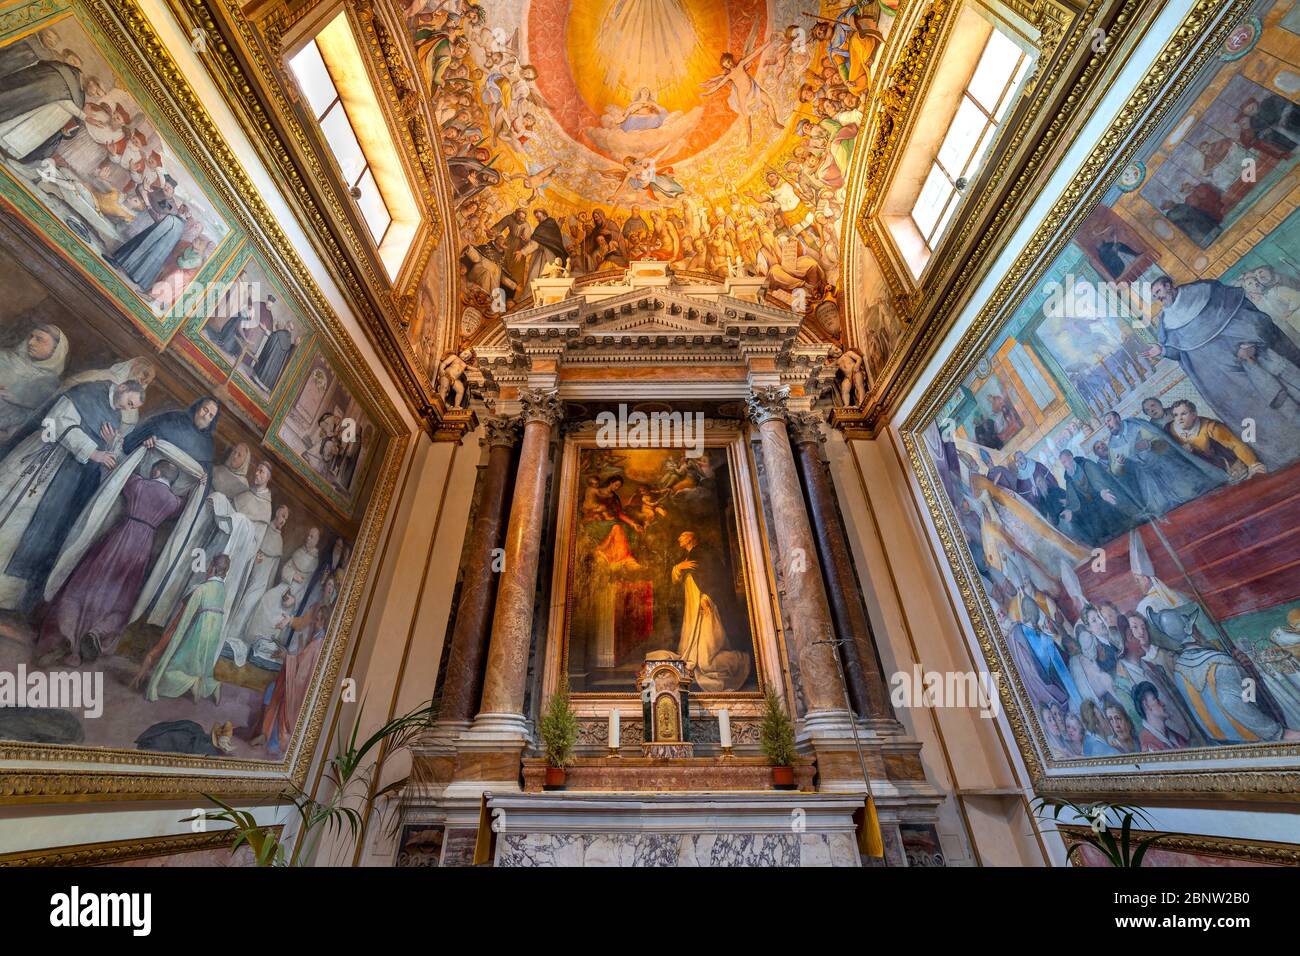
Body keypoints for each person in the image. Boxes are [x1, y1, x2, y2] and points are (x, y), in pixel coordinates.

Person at [0, 378, 145, 613]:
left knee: (43, 530)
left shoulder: (115, 415)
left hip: (68, 479)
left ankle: (7, 593)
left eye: (132, 407)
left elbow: (108, 450)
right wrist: (94, 452)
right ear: (122, 388)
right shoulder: (89, 392)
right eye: (129, 403)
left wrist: (108, 446)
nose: (128, 409)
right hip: (47, 461)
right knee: (18, 517)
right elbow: (58, 420)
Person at [35, 460, 184, 666]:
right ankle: (96, 632)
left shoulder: (139, 484)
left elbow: (122, 470)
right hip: (142, 548)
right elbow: (184, 506)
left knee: (88, 582)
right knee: (120, 596)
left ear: (155, 470)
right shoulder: (174, 502)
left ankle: (67, 638)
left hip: (120, 536)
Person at [1145, 275, 1300, 469]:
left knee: (1282, 398)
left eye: (1158, 291)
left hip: (1247, 362)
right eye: (1154, 295)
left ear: (1169, 286)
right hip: (1224, 384)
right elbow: (1178, 351)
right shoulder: (1167, 321)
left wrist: (1248, 343)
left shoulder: (1204, 292)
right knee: (1254, 417)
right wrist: (1162, 351)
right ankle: (1284, 454)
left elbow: (1245, 316)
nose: (1158, 298)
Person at [138, 553, 230, 702]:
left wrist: (162, 649)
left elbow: (181, 623)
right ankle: (213, 685)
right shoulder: (221, 589)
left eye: (209, 567)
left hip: (199, 633)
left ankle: (191, 683)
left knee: (173, 667)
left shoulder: (201, 589)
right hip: (213, 635)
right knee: (203, 666)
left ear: (212, 568)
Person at [1100, 409, 1223, 516]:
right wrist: (1120, 464)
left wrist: (1149, 444)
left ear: (1118, 418)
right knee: (1160, 508)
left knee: (1190, 492)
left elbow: (1163, 443)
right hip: (1147, 477)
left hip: (1163, 465)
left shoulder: (1136, 426)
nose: (1108, 425)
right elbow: (1115, 471)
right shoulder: (1112, 444)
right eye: (1106, 423)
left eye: (1109, 420)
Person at [672, 530, 750, 691]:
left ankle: (741, 659)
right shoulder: (687, 557)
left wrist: (706, 596)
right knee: (692, 637)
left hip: (703, 602)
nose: (679, 538)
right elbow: (677, 581)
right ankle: (695, 658)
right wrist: (678, 568)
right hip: (691, 604)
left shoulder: (703, 552)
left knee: (706, 650)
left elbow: (714, 577)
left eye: (683, 535)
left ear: (691, 538)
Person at [1055, 448, 1141, 546]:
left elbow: (1100, 480)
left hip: (1101, 499)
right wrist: (1069, 509)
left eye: (1065, 461)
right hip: (1088, 507)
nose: (1065, 465)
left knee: (1118, 525)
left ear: (1071, 457)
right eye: (1063, 463)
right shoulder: (1069, 478)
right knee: (1098, 534)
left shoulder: (1086, 464)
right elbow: (1072, 498)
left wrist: (1102, 491)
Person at [1166, 398, 1264, 480]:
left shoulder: (1211, 427)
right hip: (1201, 473)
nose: (1179, 418)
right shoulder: (1170, 429)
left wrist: (1253, 465)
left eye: (1183, 413)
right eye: (1176, 415)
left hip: (1228, 467)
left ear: (1194, 415)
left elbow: (1235, 444)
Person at [0, 324, 67, 440]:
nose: (30, 342)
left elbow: (28, 423)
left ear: (55, 350)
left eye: (39, 339)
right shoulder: (4, 357)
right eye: (30, 337)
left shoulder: (49, 385)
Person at [1133, 682, 1189, 751]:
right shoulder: (1147, 744)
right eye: (1156, 699)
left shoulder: (1176, 738)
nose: (1163, 703)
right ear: (1146, 705)